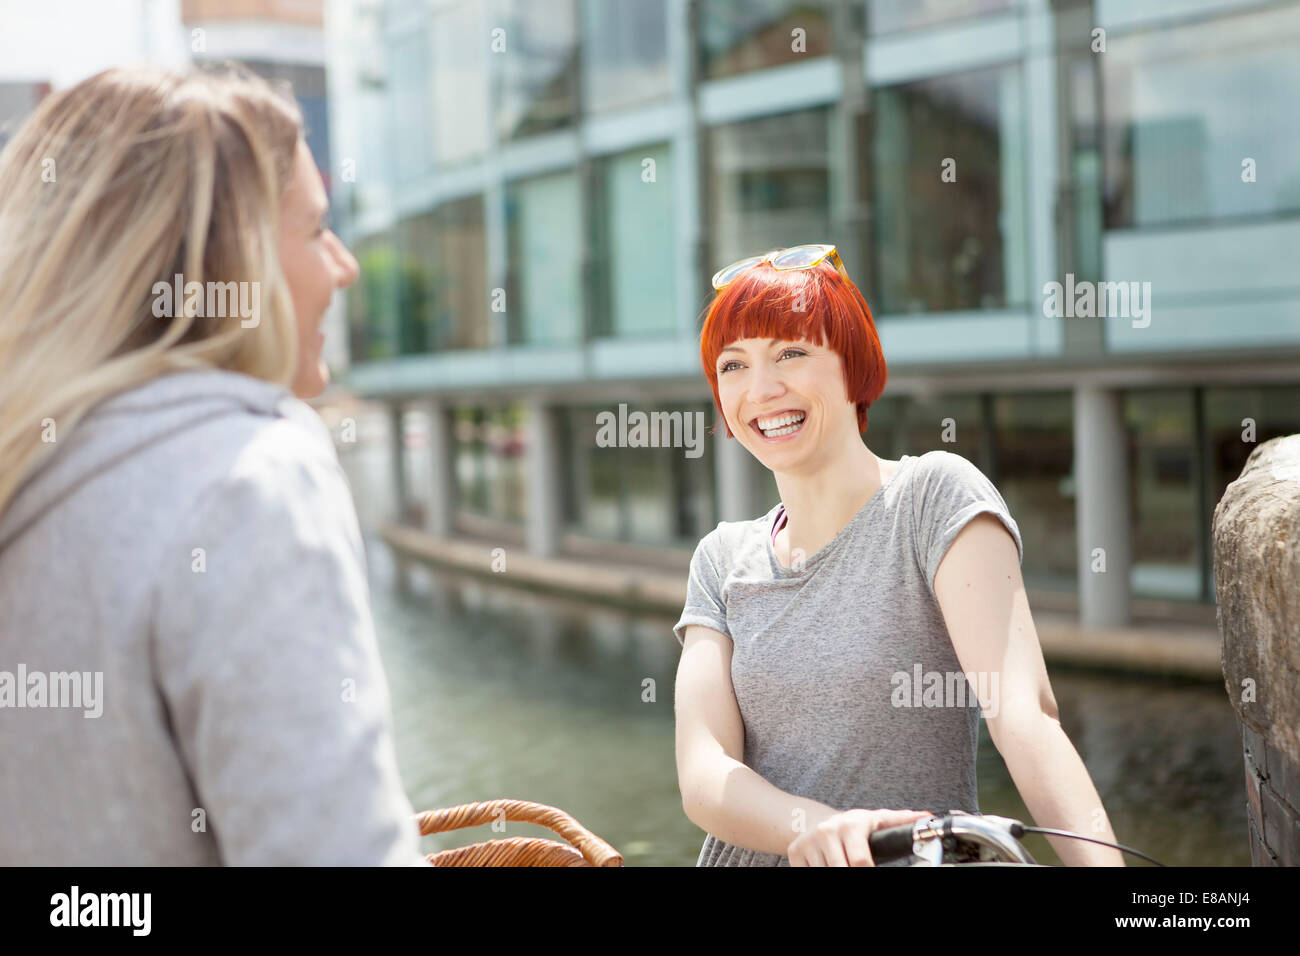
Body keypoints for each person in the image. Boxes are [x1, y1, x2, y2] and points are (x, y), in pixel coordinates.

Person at [0, 64, 428, 864]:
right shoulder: (249, 478)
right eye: (313, 229)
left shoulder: (31, 465)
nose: (345, 266)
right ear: (230, 261)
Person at [672, 245, 1124, 866]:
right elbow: (704, 774)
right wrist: (827, 828)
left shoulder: (933, 498)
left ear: (852, 366)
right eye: (733, 365)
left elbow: (1023, 714)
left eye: (791, 353)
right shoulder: (722, 559)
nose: (761, 388)